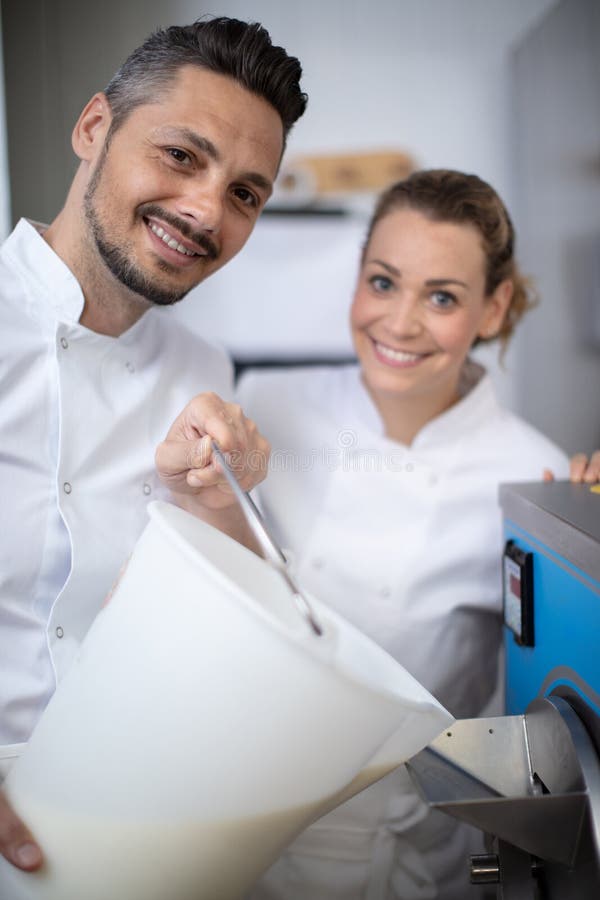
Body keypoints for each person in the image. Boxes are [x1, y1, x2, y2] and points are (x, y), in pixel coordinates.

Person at [238, 169, 598, 900]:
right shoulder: (267, 405)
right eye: (382, 282)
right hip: (253, 831)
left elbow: (568, 695)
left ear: (493, 309)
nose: (399, 324)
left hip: (415, 857)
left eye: (441, 297)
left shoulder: (533, 477)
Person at [0, 16, 306, 874]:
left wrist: (224, 510)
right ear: (94, 127)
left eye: (246, 193)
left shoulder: (205, 372)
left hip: (133, 834)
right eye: (182, 155)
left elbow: (228, 618)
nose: (207, 210)